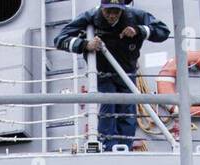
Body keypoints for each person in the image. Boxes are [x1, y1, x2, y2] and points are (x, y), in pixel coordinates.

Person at [55, 0, 170, 151]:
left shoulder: (136, 15)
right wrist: (84, 44)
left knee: (128, 112)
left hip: (127, 72)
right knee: (107, 107)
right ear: (102, 8)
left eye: (116, 11)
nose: (112, 15)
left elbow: (163, 31)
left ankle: (124, 148)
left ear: (123, 9)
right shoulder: (89, 16)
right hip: (103, 73)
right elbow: (59, 39)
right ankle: (108, 147)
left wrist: (139, 30)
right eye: (108, 11)